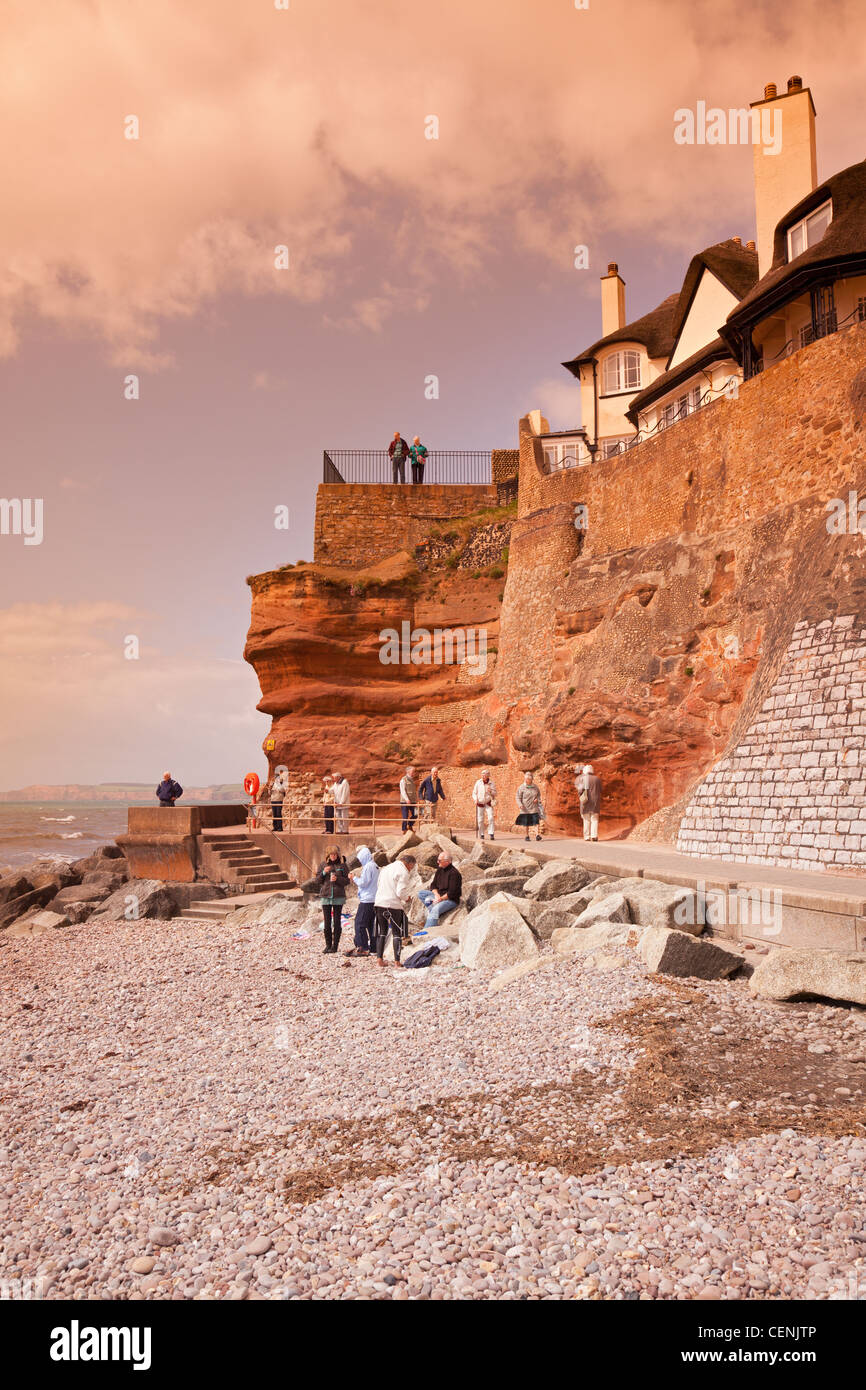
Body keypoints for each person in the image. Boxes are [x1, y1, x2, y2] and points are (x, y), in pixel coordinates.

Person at [373, 853, 417, 967]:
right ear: (409, 864)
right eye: (411, 867)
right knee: (396, 933)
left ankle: (379, 959)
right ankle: (397, 961)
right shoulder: (403, 872)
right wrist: (406, 898)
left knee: (382, 932)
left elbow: (378, 884)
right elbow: (400, 892)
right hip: (392, 904)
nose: (411, 869)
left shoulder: (386, 868)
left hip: (379, 902)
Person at [417, 851, 462, 932]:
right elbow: (433, 885)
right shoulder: (439, 870)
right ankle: (433, 913)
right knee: (421, 893)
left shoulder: (454, 873)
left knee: (435, 909)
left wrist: (440, 899)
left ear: (448, 861)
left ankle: (426, 932)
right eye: (438, 860)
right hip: (439, 896)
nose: (437, 862)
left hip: (450, 900)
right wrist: (437, 895)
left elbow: (452, 892)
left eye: (439, 860)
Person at [347, 845, 379, 956]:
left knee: (359, 923)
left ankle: (363, 947)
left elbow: (363, 882)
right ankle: (374, 948)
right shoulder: (375, 866)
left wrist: (353, 877)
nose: (360, 862)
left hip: (367, 899)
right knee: (370, 924)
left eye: (361, 860)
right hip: (374, 898)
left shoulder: (368, 867)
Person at [317, 846, 350, 953]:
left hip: (338, 896)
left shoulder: (342, 865)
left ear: (338, 855)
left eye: (335, 854)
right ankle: (328, 945)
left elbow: (347, 881)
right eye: (331, 854)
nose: (333, 856)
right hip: (326, 896)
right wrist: (323, 873)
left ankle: (335, 946)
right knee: (327, 922)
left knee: (337, 922)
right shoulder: (323, 864)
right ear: (328, 855)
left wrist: (338, 879)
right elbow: (317, 880)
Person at [576, 763, 602, 841]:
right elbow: (600, 790)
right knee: (594, 819)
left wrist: (581, 796)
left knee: (586, 819)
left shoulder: (583, 779)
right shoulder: (597, 779)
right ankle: (594, 836)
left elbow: (580, 791)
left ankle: (587, 836)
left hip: (586, 801)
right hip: (595, 801)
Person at [515, 771, 544, 842]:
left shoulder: (535, 787)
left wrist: (537, 799)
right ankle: (527, 836)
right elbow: (517, 797)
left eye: (529, 779)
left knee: (536, 821)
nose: (528, 780)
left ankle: (537, 835)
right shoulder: (521, 787)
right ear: (525, 779)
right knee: (526, 822)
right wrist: (520, 805)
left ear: (532, 779)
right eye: (526, 779)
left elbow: (539, 795)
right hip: (525, 808)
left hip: (534, 807)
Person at [472, 769, 496, 841]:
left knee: (491, 817)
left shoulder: (491, 783)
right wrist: (475, 799)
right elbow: (474, 793)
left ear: (488, 775)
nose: (483, 776)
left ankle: (491, 833)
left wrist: (491, 791)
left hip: (488, 802)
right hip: (480, 802)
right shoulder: (478, 782)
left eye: (484, 774)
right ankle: (481, 833)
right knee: (480, 820)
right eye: (482, 774)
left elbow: (495, 793)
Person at [399, 765, 417, 832]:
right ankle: (404, 830)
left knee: (416, 814)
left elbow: (413, 791)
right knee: (405, 816)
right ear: (408, 772)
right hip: (405, 801)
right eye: (413, 772)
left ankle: (409, 825)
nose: (414, 773)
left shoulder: (412, 780)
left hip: (412, 801)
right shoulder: (403, 780)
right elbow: (402, 791)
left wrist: (416, 800)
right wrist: (406, 799)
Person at [270, 767, 288, 832]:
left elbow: (283, 790)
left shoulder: (281, 783)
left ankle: (280, 827)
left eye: (276, 777)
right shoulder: (273, 784)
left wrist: (278, 785)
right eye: (275, 777)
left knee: (278, 813)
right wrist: (270, 788)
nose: (275, 778)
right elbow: (270, 793)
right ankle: (275, 827)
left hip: (279, 799)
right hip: (273, 799)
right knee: (274, 814)